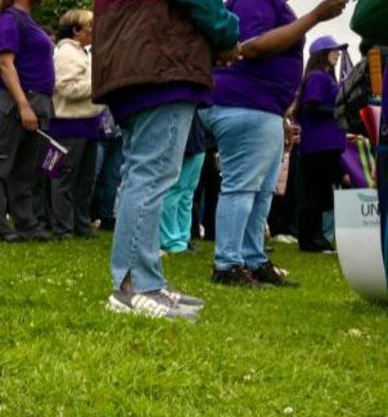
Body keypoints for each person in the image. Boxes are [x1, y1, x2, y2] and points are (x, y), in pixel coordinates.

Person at [94, 0, 239, 319]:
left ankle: (143, 281)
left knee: (140, 175)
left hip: (135, 60)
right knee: (151, 176)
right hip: (162, 61)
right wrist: (228, 32)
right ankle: (135, 286)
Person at [199, 0, 346, 288]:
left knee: (262, 191)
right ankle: (227, 264)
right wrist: (315, 16)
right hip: (245, 101)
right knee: (241, 187)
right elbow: (252, 47)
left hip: (263, 106)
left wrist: (279, 116)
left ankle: (253, 258)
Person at [0, 0, 54, 243]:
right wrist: (23, 105)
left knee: (26, 169)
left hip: (34, 102)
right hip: (13, 103)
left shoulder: (27, 20)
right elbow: (5, 64)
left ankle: (26, 224)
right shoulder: (9, 19)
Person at [49, 9, 103, 241]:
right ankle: (62, 228)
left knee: (85, 180)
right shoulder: (66, 53)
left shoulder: (83, 53)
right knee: (63, 177)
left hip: (87, 123)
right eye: (89, 26)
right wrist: (99, 85)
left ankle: (81, 224)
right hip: (68, 125)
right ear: (76, 30)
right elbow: (66, 88)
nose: (93, 30)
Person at [295, 36, 348, 253]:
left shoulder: (325, 77)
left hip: (324, 144)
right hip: (319, 144)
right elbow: (311, 107)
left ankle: (315, 237)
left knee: (317, 192)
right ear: (322, 54)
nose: (337, 53)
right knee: (314, 193)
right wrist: (338, 112)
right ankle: (310, 239)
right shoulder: (318, 77)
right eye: (333, 50)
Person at [160, 113, 207, 254]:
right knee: (175, 190)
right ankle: (170, 241)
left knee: (187, 193)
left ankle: (183, 238)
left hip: (197, 140)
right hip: (184, 138)